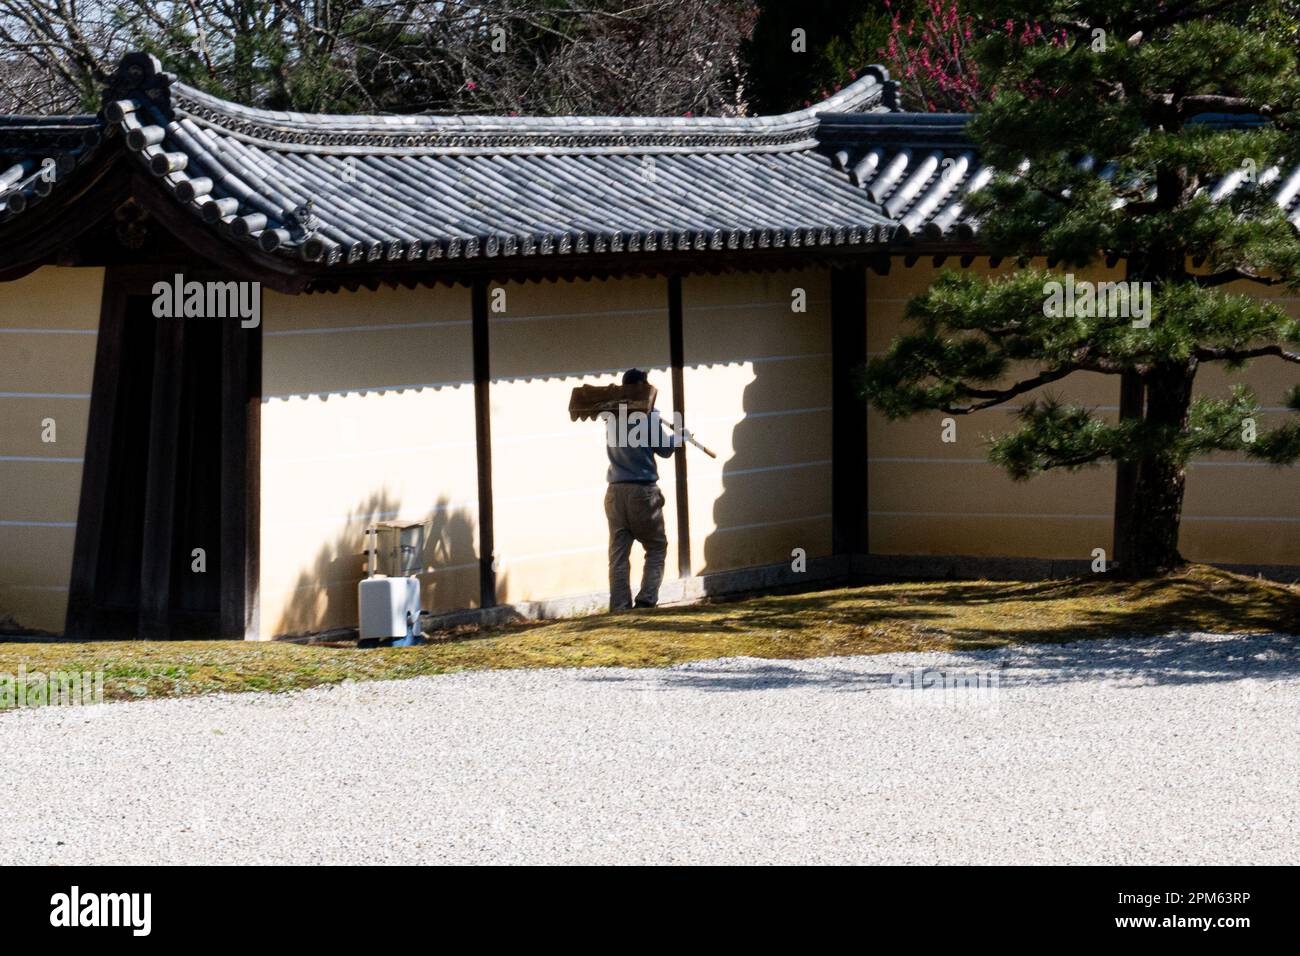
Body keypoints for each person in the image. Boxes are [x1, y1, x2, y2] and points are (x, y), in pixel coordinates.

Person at [604, 369, 682, 610]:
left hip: (615, 492)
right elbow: (664, 449)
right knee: (657, 547)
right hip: (642, 491)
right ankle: (647, 599)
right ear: (641, 388)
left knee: (619, 553)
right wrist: (679, 436)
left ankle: (619, 605)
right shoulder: (648, 417)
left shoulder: (610, 417)